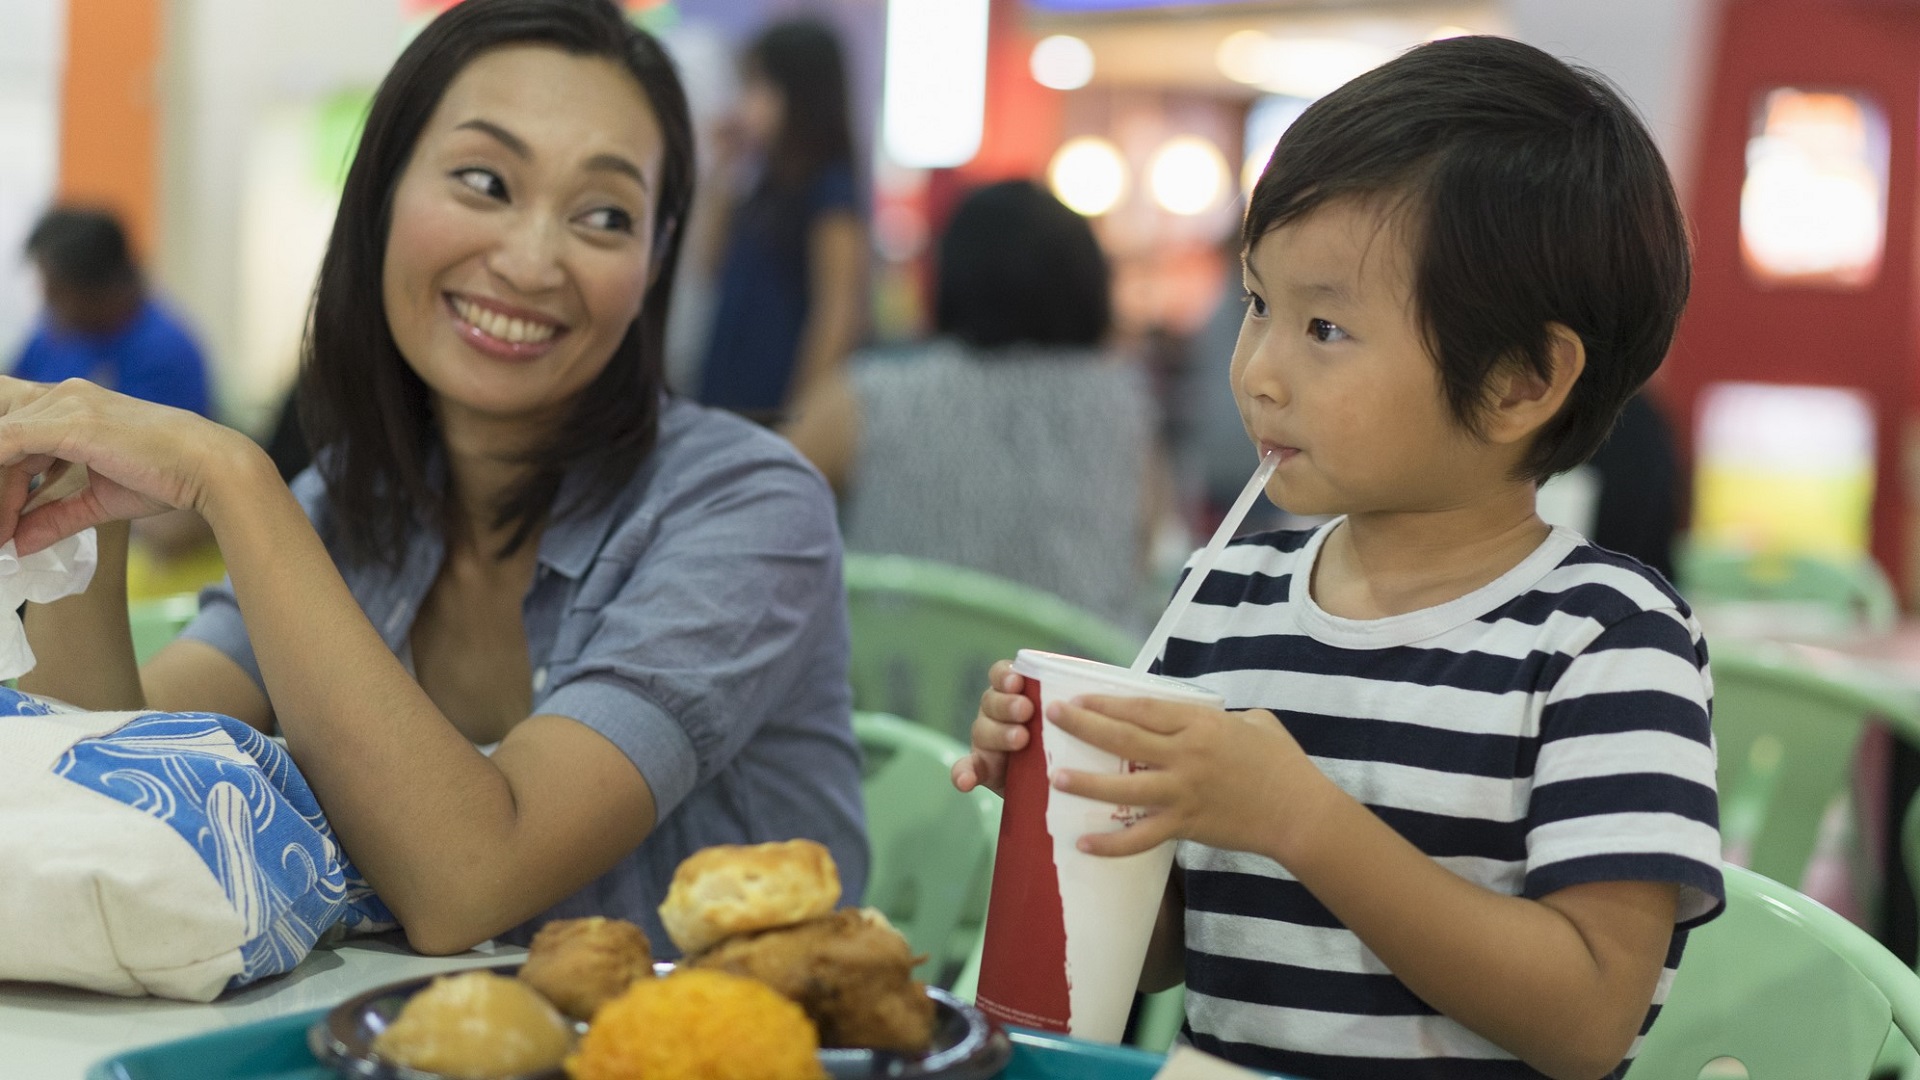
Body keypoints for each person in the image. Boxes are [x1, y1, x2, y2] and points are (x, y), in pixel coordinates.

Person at [0, 0, 865, 957]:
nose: (532, 261)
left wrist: (230, 475)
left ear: (654, 261)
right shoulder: (349, 505)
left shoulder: (749, 507)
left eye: (606, 215)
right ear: (379, 199)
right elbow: (106, 798)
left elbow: (468, 883)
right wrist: (71, 497)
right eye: (485, 181)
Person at [954, 36, 1720, 1080]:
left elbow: (1586, 1020)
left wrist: (1303, 819)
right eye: (1258, 304)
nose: (1259, 371)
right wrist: (1072, 810)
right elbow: (1167, 954)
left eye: (1323, 327)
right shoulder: (1224, 601)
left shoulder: (1606, 644)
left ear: (1517, 382)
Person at [785, 180, 1161, 627]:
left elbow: (756, 512)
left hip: (895, 683)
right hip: (1070, 690)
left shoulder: (870, 396)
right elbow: (1141, 552)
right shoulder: (1124, 409)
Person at [692, 18, 866, 423]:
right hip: (728, 393)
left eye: (758, 86)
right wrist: (724, 170)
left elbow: (838, 310)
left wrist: (799, 416)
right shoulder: (764, 183)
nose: (745, 103)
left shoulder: (831, 187)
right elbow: (711, 264)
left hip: (776, 403)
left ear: (802, 95)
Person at [12, 207, 211, 418]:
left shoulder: (166, 354)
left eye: (58, 290)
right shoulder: (51, 336)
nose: (48, 300)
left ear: (103, 288)